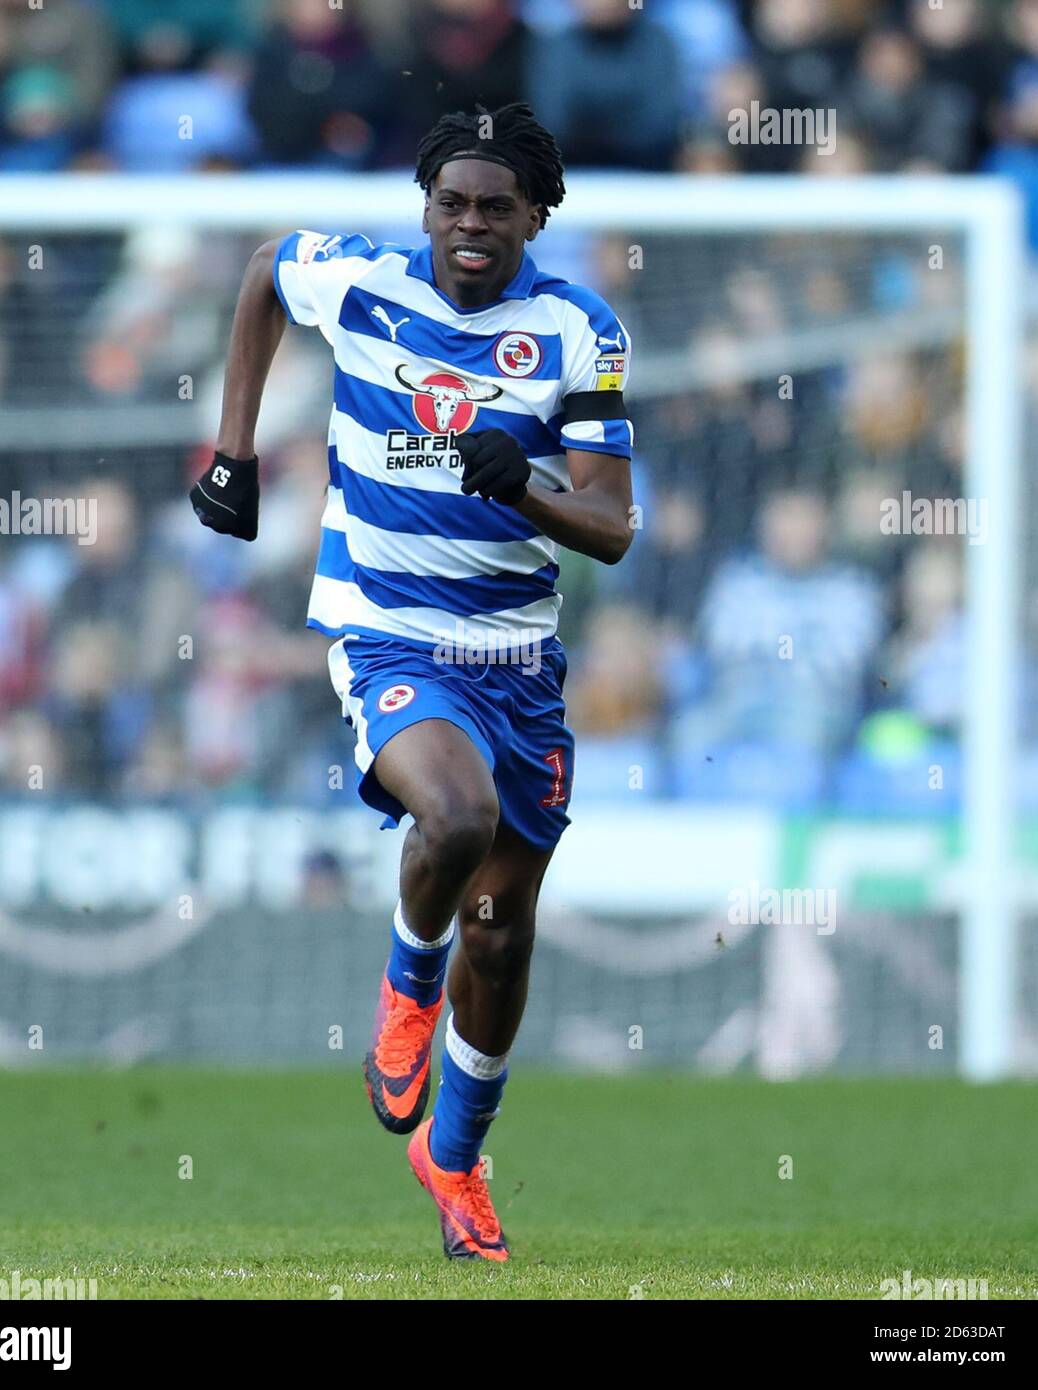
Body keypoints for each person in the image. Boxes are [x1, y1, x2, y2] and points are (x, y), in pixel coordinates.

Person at [189, 101, 634, 1260]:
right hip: (386, 630)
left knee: (500, 932)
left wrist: (521, 488)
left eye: (496, 207)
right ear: (424, 208)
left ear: (536, 215)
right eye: (451, 204)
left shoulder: (580, 332)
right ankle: (403, 983)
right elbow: (263, 271)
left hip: (517, 660)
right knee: (455, 813)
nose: (471, 225)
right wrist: (233, 452)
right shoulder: (363, 282)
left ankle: (453, 1151)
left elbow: (612, 526)